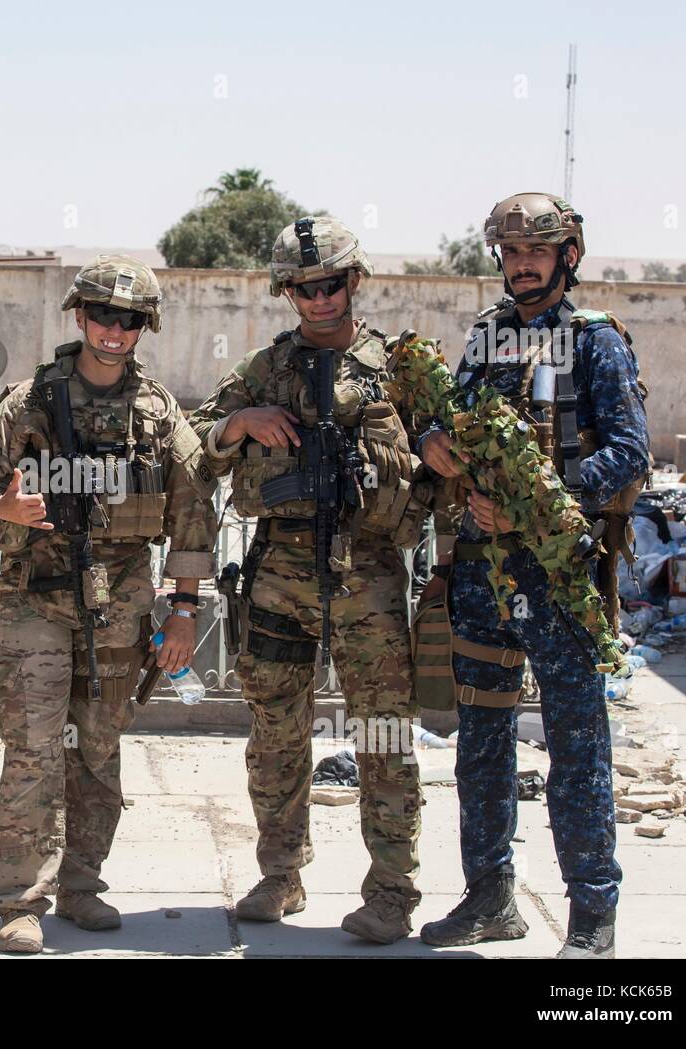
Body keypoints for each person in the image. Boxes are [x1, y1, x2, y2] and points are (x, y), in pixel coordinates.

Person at [0, 255, 218, 953]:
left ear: (143, 327)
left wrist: (184, 610)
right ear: (79, 316)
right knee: (34, 748)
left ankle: (82, 883)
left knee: (97, 748)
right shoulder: (28, 404)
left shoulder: (157, 413)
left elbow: (193, 513)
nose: (112, 330)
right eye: (101, 315)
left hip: (119, 608)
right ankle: (19, 898)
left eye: (127, 319)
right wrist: (0, 507)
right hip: (36, 599)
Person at [417, 193, 649, 959]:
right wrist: (432, 441)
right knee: (481, 737)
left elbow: (629, 451)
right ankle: (490, 896)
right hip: (482, 574)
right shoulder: (487, 338)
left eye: (537, 252)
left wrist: (537, 505)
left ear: (567, 256)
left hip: (561, 574)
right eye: (512, 252)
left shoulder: (595, 342)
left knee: (576, 739)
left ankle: (593, 914)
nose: (523, 264)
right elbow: (449, 413)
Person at [188, 217, 429, 944]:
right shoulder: (266, 368)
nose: (317, 298)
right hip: (281, 570)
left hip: (370, 572)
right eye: (302, 286)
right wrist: (241, 423)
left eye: (329, 283)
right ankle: (281, 871)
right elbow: (195, 441)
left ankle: (391, 889)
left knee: (383, 731)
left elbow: (447, 459)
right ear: (286, 290)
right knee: (274, 731)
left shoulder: (401, 367)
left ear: (355, 281)